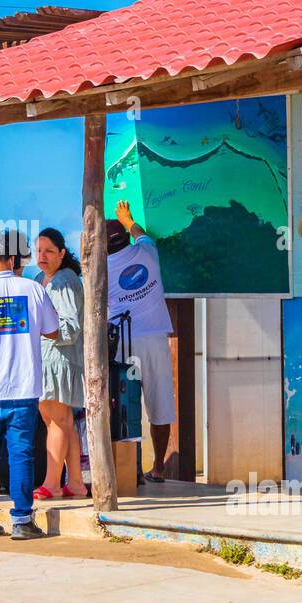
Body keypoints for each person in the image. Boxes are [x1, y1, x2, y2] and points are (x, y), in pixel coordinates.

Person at [0, 230, 59, 540]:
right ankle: (21, 519)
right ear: (13, 261)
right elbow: (53, 330)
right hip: (22, 387)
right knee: (21, 454)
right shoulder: (32, 289)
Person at [107, 199, 177, 483]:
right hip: (157, 339)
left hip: (123, 341)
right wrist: (127, 219)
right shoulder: (148, 252)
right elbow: (141, 234)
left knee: (124, 404)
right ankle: (158, 466)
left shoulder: (101, 269)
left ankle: (127, 470)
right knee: (160, 404)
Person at [31, 228, 88, 500]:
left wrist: (43, 331)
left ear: (62, 253)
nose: (42, 256)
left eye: (49, 251)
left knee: (57, 420)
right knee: (61, 420)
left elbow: (70, 327)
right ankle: (75, 482)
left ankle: (52, 483)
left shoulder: (64, 280)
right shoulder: (41, 278)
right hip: (49, 359)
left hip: (58, 359)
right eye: (39, 250)